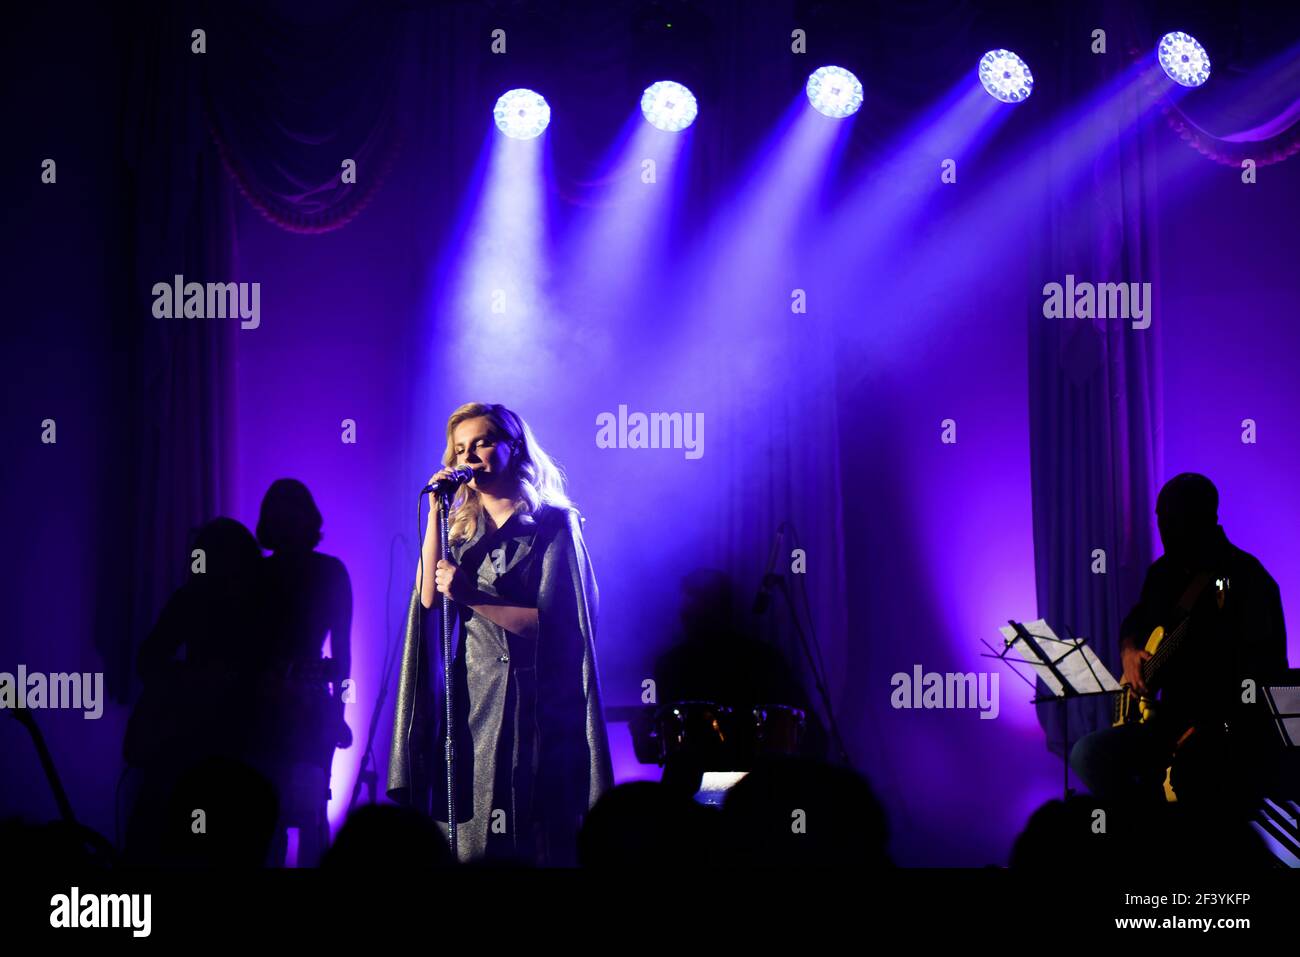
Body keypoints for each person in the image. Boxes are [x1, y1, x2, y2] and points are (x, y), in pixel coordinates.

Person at [387, 402, 614, 865]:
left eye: (483, 443)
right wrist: (435, 512)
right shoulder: (460, 529)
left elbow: (561, 628)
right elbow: (428, 600)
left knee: (531, 831)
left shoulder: (553, 524)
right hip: (470, 704)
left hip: (536, 705)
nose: (470, 456)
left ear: (514, 447)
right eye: (460, 449)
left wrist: (473, 596)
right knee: (468, 833)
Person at [1069, 473, 1288, 806]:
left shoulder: (1248, 580)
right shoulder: (1162, 574)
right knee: (1088, 753)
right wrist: (1129, 650)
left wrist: (1211, 723)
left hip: (1226, 728)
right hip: (1168, 723)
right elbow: (1136, 621)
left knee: (1192, 772)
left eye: (1174, 522)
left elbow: (1266, 677)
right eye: (1161, 522)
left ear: (1204, 520)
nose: (1165, 532)